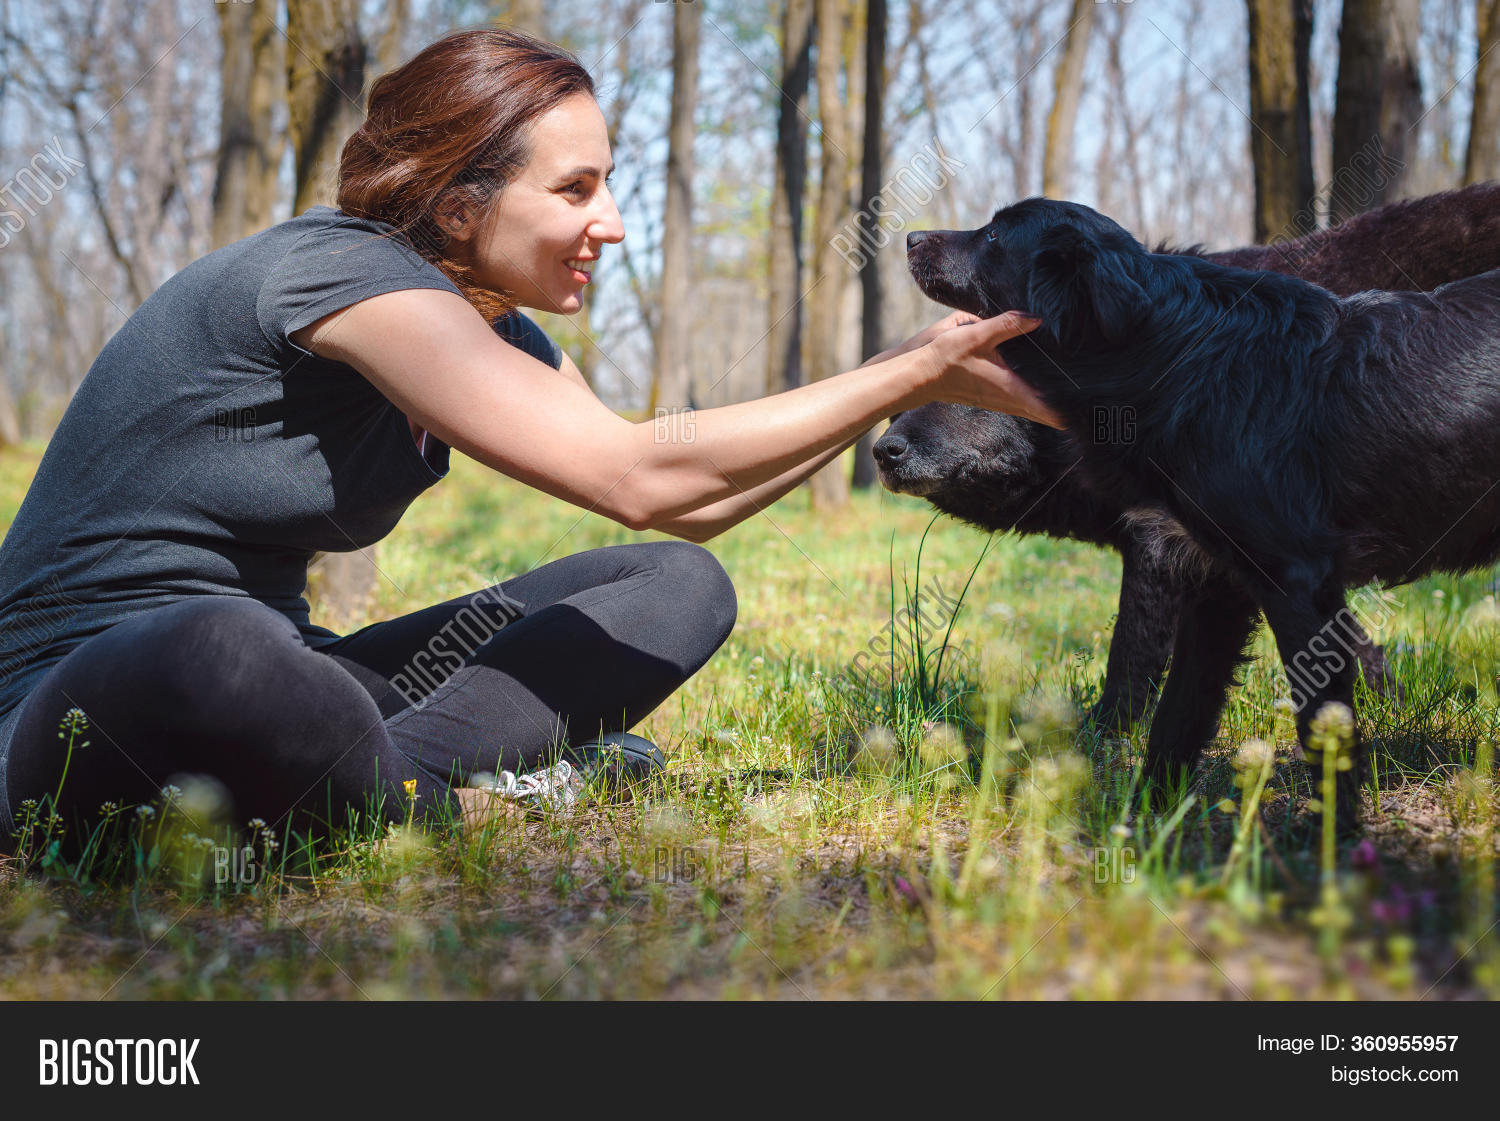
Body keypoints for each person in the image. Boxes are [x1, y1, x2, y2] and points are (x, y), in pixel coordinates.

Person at [0, 27, 1059, 849]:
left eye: (609, 182)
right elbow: (636, 473)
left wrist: (891, 390)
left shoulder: (497, 328)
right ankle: (429, 801)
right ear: (460, 205)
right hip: (81, 697)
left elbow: (678, 499)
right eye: (575, 188)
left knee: (680, 580)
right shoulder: (340, 272)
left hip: (290, 686)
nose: (614, 222)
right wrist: (904, 370)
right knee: (219, 642)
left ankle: (351, 776)